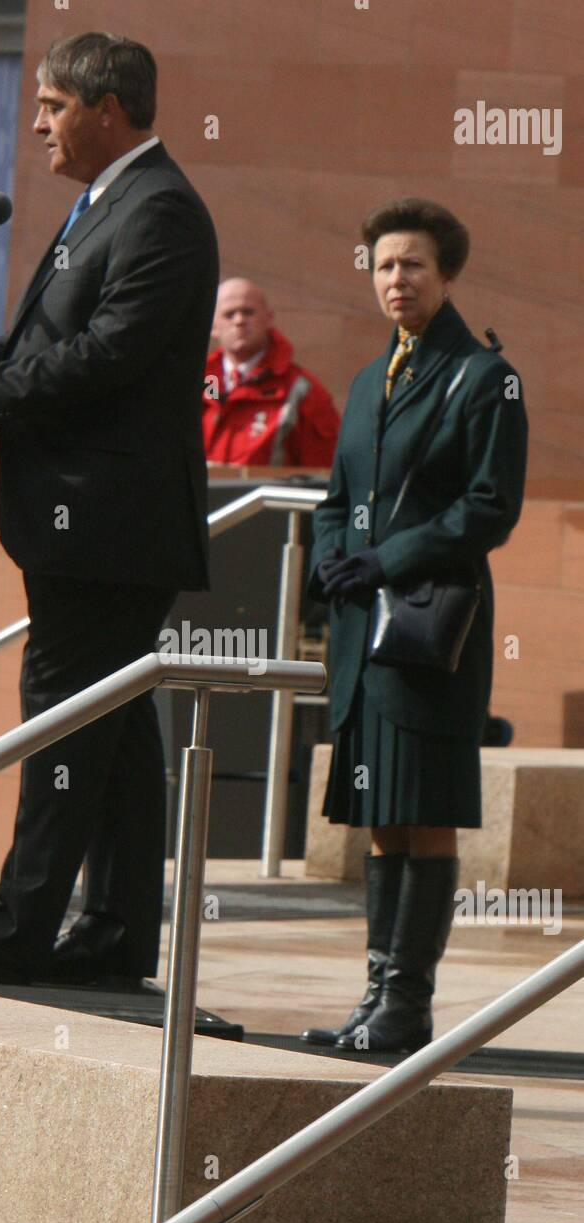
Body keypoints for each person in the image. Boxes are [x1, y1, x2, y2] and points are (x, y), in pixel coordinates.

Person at [0, 31, 219, 988]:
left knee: (63, 717)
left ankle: (20, 925)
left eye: (54, 106)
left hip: (108, 524)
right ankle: (112, 935)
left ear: (107, 110)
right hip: (91, 520)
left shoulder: (162, 212)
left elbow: (107, 356)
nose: (37, 125)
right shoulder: (109, 202)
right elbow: (46, 337)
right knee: (113, 731)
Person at [301, 198, 527, 1054]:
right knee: (381, 814)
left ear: (448, 274)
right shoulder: (367, 381)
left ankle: (408, 1003)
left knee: (422, 811)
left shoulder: (483, 377)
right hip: (364, 629)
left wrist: (387, 560)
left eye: (414, 265)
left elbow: (488, 508)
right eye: (384, 265)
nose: (397, 279)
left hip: (431, 628)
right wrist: (331, 558)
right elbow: (336, 500)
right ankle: (374, 996)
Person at [202, 278, 339, 470]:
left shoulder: (302, 391)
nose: (239, 320)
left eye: (248, 312)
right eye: (229, 314)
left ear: (269, 318)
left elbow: (324, 477)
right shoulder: (194, 385)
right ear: (213, 327)